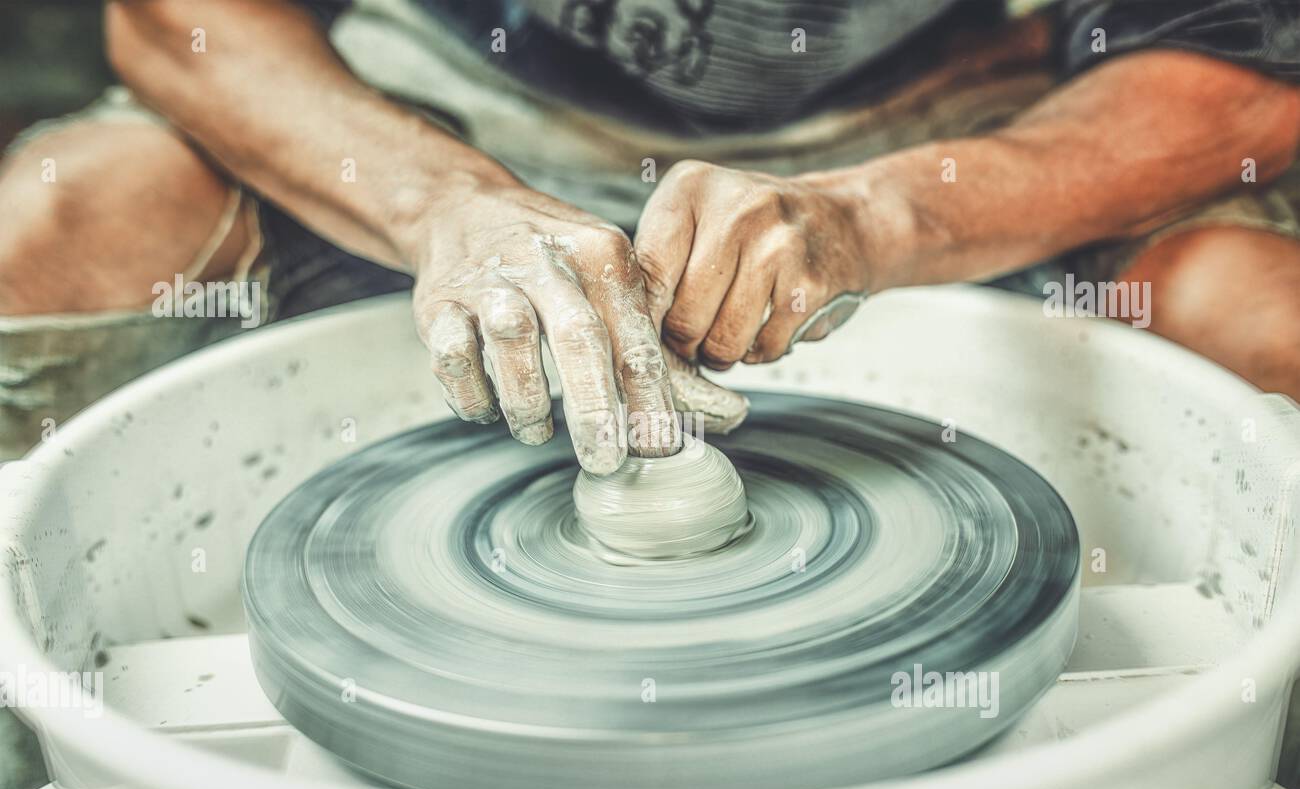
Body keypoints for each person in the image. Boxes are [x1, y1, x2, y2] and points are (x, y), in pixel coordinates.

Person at [1, 0, 1297, 468]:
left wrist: (881, 214)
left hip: (936, 121)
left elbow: (1237, 82)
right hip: (445, 97)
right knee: (64, 219)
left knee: (1260, 322)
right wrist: (439, 199)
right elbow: (180, 16)